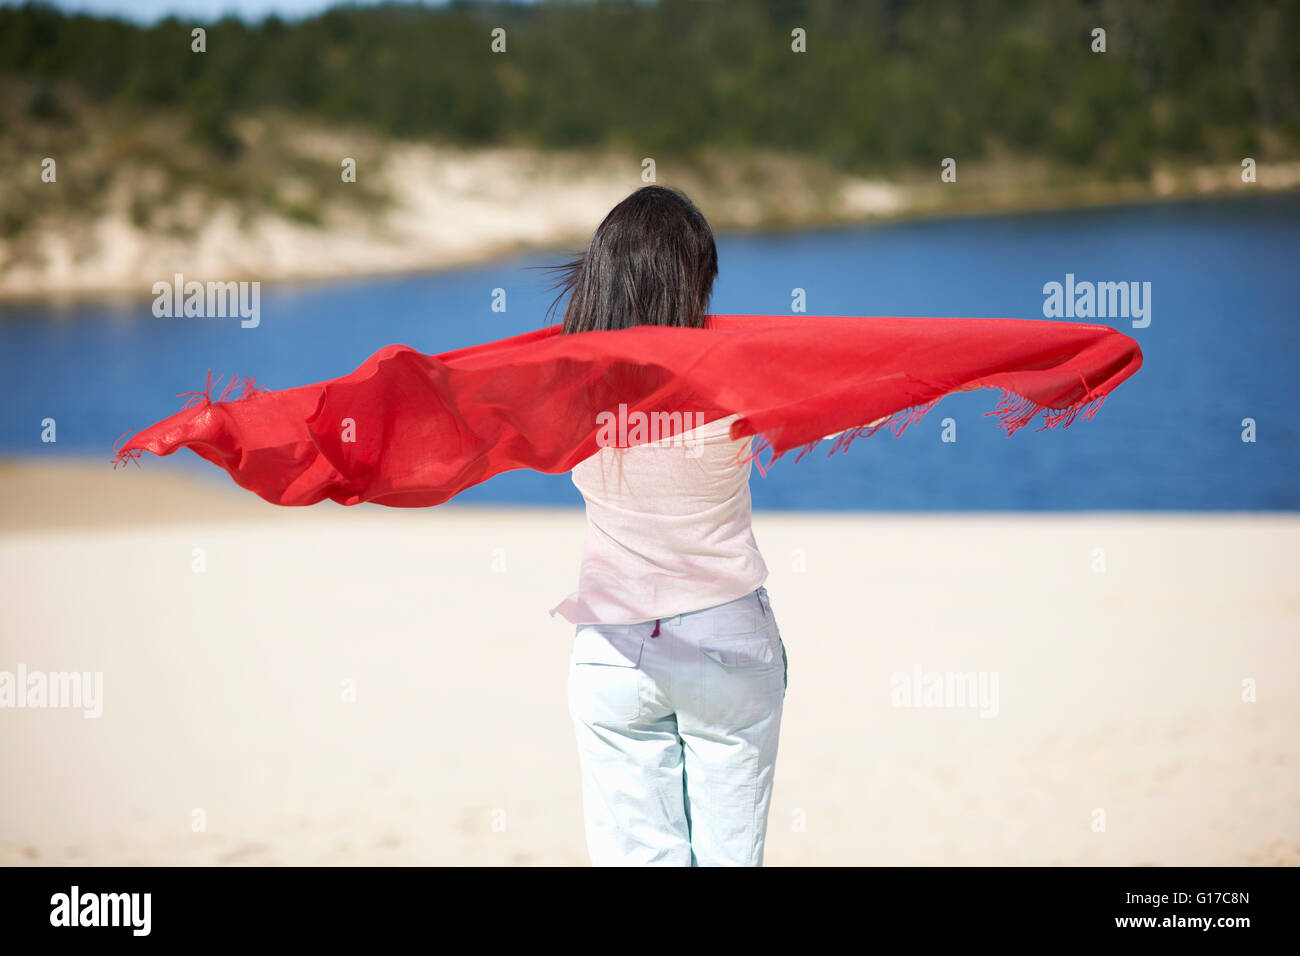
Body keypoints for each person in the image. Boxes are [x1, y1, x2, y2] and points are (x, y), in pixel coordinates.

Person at [548, 185, 787, 866]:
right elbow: (862, 385)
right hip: (726, 639)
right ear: (697, 279)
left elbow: (456, 399)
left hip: (614, 648)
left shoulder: (564, 379)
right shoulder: (741, 372)